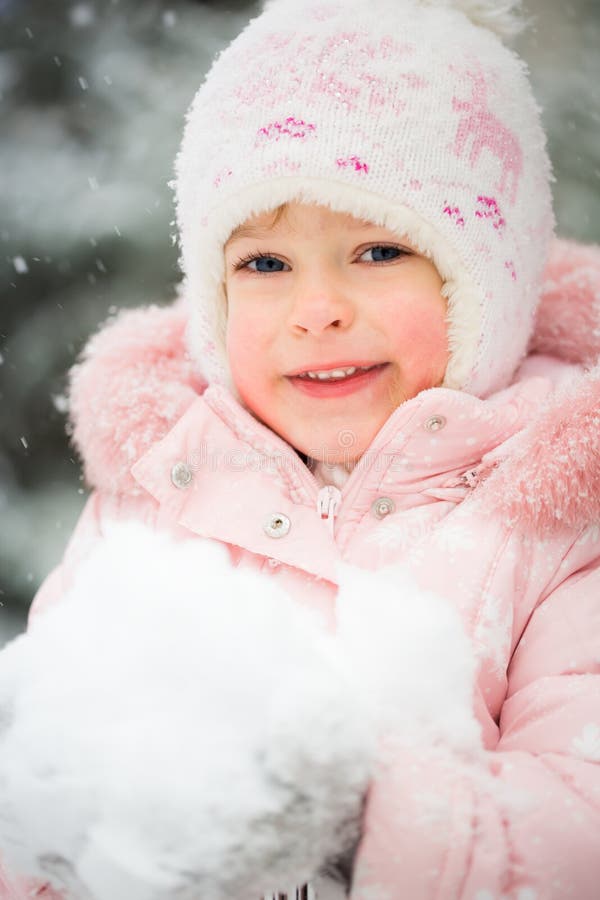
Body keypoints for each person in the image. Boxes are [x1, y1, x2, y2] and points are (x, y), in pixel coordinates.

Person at [1, 0, 600, 898]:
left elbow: (579, 826)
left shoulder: (557, 515)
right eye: (266, 265)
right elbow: (47, 762)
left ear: (490, 284)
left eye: (379, 249)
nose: (315, 309)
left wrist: (356, 819)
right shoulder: (163, 485)